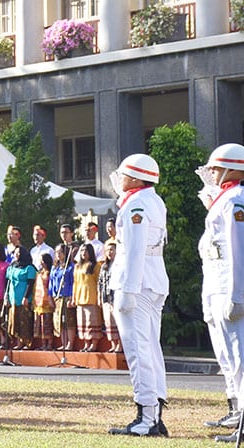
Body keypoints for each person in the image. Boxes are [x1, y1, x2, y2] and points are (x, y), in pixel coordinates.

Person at [107, 153, 169, 437]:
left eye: (123, 174)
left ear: (135, 176)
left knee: (138, 350)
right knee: (150, 348)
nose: (119, 179)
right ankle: (154, 412)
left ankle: (146, 416)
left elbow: (133, 251)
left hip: (138, 283)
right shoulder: (152, 200)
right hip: (152, 282)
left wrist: (128, 289)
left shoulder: (137, 205)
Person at [196, 143, 244, 439]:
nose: (210, 173)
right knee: (227, 356)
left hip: (230, 284)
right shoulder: (224, 198)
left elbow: (239, 250)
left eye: (215, 167)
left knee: (240, 356)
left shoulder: (236, 200)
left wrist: (238, 295)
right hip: (216, 282)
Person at [4, 246, 37, 350]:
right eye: (15, 253)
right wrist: (6, 296)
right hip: (13, 297)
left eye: (19, 253)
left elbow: (30, 283)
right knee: (15, 321)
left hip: (23, 297)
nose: (17, 255)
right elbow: (7, 282)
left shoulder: (29, 267)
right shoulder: (12, 266)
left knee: (25, 321)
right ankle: (18, 342)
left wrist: (26, 297)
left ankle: (27, 342)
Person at [73, 243, 103, 352]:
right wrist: (74, 298)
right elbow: (75, 283)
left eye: (86, 251)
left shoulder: (96, 266)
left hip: (91, 297)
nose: (83, 253)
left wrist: (99, 297)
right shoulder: (77, 266)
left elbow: (99, 283)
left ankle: (93, 345)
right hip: (80, 298)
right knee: (83, 321)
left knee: (92, 321)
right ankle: (86, 344)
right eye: (81, 251)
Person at [49, 243, 76, 351]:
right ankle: (63, 343)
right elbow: (51, 283)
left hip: (67, 296)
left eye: (60, 252)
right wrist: (50, 296)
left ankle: (70, 343)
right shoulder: (54, 268)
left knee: (68, 321)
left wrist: (71, 297)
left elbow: (73, 282)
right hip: (57, 297)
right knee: (59, 321)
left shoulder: (70, 268)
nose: (58, 255)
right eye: (56, 252)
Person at [98, 240, 121, 353]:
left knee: (117, 321)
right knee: (108, 321)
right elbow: (100, 282)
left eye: (112, 250)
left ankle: (120, 345)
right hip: (106, 296)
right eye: (108, 250)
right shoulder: (104, 266)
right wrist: (99, 296)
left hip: (116, 296)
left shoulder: (119, 264)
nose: (110, 252)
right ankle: (113, 344)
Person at [32, 252, 55, 350]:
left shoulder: (50, 272)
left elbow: (51, 286)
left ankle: (49, 344)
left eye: (42, 260)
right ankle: (43, 344)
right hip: (39, 302)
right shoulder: (39, 272)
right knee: (40, 324)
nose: (41, 263)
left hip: (47, 301)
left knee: (47, 324)